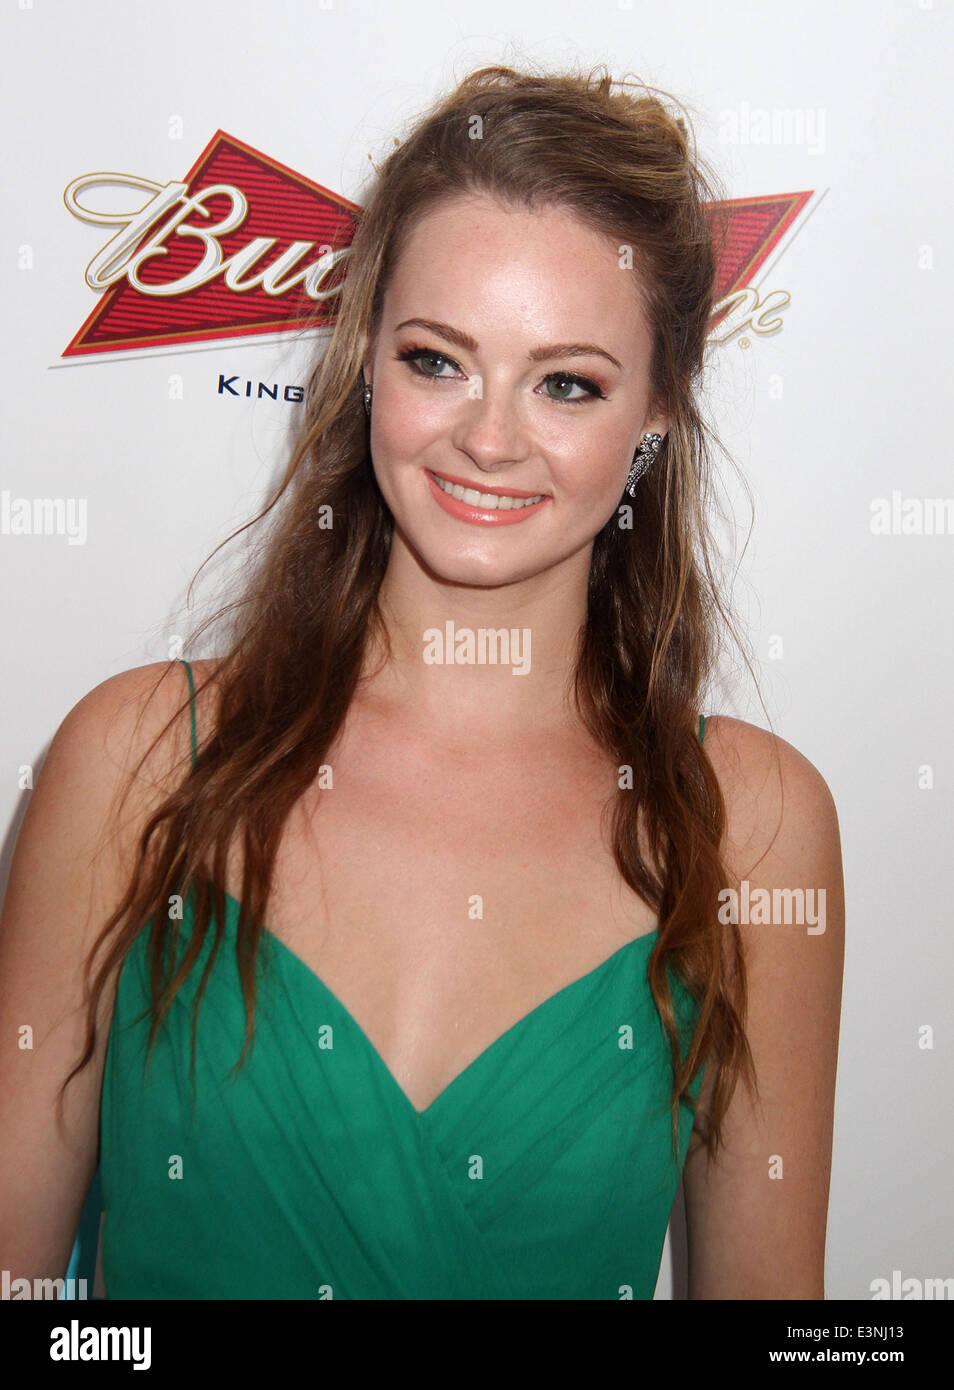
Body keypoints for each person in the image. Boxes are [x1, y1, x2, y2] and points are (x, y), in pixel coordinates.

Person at [0, 64, 844, 1300]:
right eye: (439, 360)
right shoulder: (135, 760)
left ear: (657, 408)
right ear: (365, 362)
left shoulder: (755, 828)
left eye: (567, 383)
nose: (488, 437)